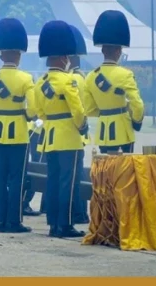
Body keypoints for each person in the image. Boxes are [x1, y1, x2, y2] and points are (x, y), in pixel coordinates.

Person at [33, 20, 88, 239]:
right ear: (64, 58)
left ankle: (53, 223)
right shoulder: (68, 81)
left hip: (50, 137)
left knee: (53, 182)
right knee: (69, 183)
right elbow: (78, 111)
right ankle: (65, 224)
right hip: (68, 137)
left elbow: (39, 111)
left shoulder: (40, 82)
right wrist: (82, 127)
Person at [0, 17, 36, 233]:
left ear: (1, 54)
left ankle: (0, 219)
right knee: (17, 179)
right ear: (19, 54)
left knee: (0, 177)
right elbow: (32, 110)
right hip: (19, 133)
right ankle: (14, 221)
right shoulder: (25, 78)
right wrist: (26, 114)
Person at [83, 10, 145, 154]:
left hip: (103, 132)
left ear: (103, 51)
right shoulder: (125, 74)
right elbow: (138, 104)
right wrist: (136, 121)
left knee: (106, 167)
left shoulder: (91, 76)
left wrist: (105, 111)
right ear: (118, 51)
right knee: (125, 167)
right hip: (123, 130)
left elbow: (89, 109)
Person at [67, 25, 92, 226]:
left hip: (72, 130)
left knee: (73, 176)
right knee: (77, 173)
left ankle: (78, 211)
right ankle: (80, 211)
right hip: (78, 129)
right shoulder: (80, 76)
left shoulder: (72, 79)